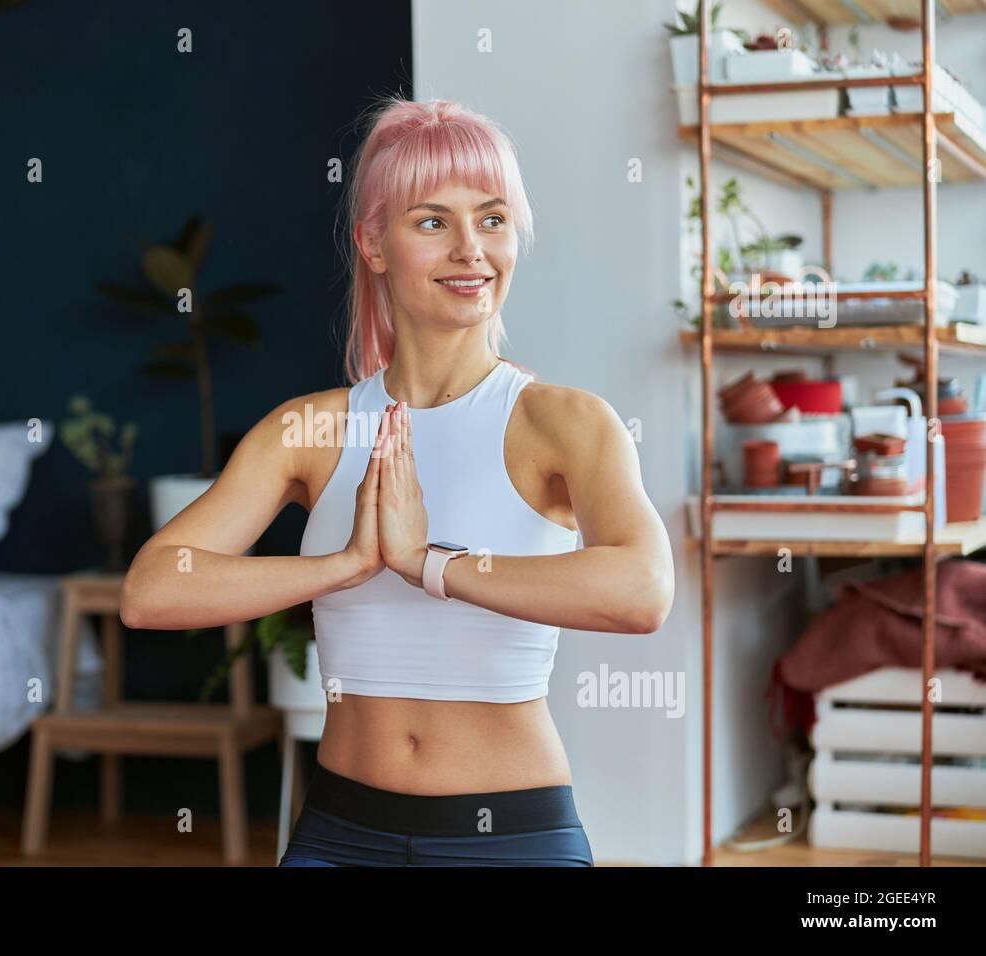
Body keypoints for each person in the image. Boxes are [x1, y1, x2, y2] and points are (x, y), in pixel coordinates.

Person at [119, 96, 674, 866]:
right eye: (432, 222)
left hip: (510, 834)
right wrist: (344, 566)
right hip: (340, 830)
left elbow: (642, 590)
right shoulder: (309, 429)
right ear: (373, 244)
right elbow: (152, 591)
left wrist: (428, 565)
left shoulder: (564, 422)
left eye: (492, 218)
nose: (471, 250)